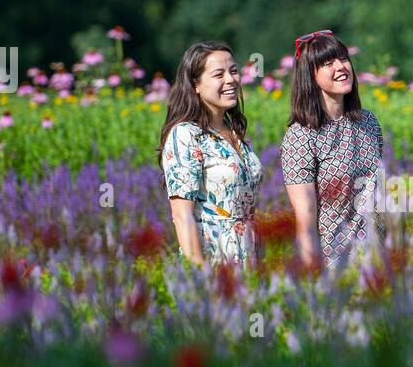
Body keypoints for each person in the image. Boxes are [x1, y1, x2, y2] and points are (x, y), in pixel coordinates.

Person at [280, 30, 385, 269]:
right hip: (335, 262)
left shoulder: (369, 123)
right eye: (328, 63)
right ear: (311, 76)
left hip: (376, 257)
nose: (341, 67)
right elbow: (305, 219)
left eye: (343, 59)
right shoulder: (301, 135)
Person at [157, 41, 263, 267]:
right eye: (219, 74)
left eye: (233, 71)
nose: (230, 80)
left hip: (248, 257)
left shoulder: (234, 132)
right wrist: (198, 273)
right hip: (213, 261)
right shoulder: (186, 135)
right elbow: (182, 215)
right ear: (195, 84)